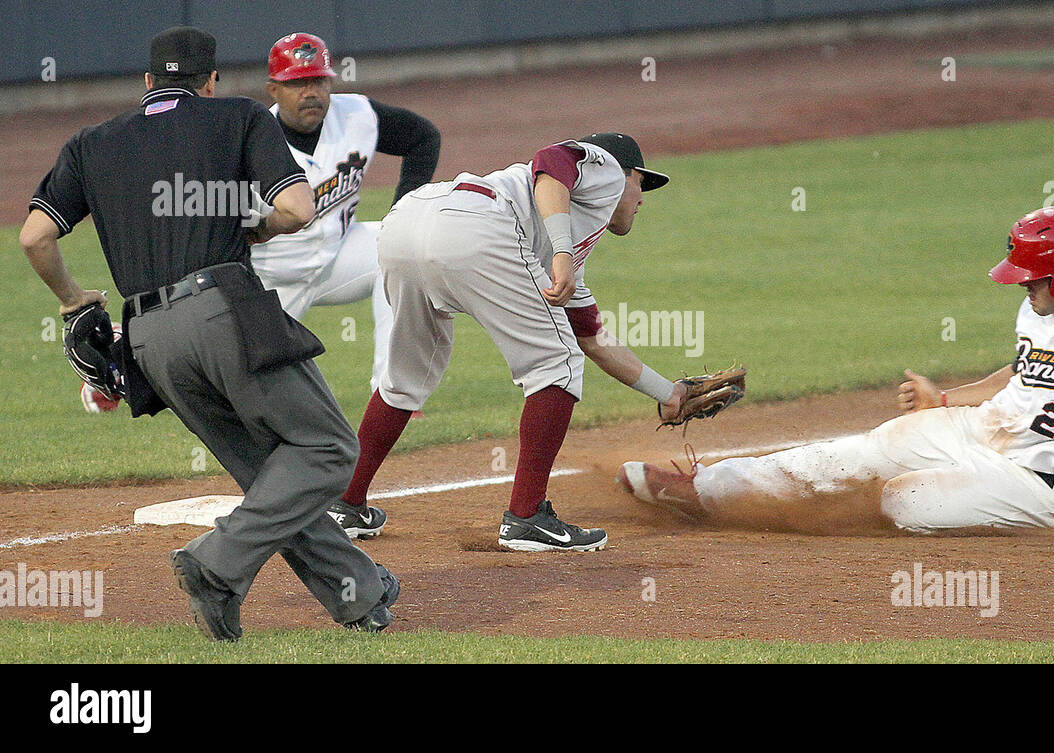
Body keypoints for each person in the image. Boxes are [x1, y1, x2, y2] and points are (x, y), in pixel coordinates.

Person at [20, 26, 400, 641]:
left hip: (145, 339)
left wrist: (72, 301)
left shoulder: (92, 142)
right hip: (225, 313)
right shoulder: (239, 118)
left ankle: (357, 593)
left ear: (147, 83)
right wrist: (259, 227)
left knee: (267, 471)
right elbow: (300, 210)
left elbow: (35, 237)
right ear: (211, 81)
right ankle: (216, 562)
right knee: (328, 449)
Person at [618, 206, 1054, 545]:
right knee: (868, 445)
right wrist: (946, 398)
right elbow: (1024, 371)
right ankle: (701, 489)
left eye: (1031, 278)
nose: (1021, 286)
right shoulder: (1043, 313)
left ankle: (776, 514)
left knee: (900, 498)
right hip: (979, 432)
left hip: (1040, 488)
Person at [339, 133, 692, 551]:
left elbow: (594, 339)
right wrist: (561, 252)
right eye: (642, 182)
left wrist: (669, 394)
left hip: (406, 224)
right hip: (477, 222)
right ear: (626, 172)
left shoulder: (556, 250)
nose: (641, 197)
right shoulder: (608, 172)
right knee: (555, 365)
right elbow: (552, 160)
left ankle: (345, 506)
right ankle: (526, 517)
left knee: (406, 376)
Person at [250, 32, 440, 539]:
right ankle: (111, 364)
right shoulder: (248, 138)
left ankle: (391, 389)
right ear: (274, 89)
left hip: (337, 256)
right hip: (269, 277)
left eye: (318, 81)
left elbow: (423, 137)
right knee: (232, 375)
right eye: (297, 83)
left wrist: (404, 215)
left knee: (398, 256)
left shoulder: (356, 113)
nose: (311, 92)